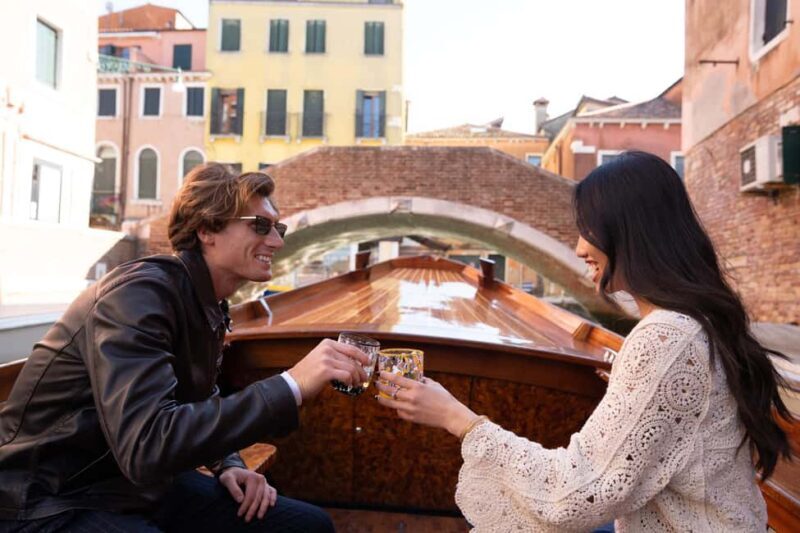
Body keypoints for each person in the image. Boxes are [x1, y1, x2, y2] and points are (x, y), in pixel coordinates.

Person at [376, 151, 793, 532]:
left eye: (588, 229)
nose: (578, 247)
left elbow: (576, 494)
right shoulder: (696, 322)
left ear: (632, 231)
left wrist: (457, 418)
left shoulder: (666, 336)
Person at [0, 163, 370, 532]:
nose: (276, 241)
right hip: (50, 500)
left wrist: (229, 464)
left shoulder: (206, 302)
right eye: (260, 225)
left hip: (136, 485)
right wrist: (291, 384)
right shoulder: (138, 295)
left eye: (278, 228)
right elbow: (146, 445)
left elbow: (194, 394)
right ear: (207, 229)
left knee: (307, 526)